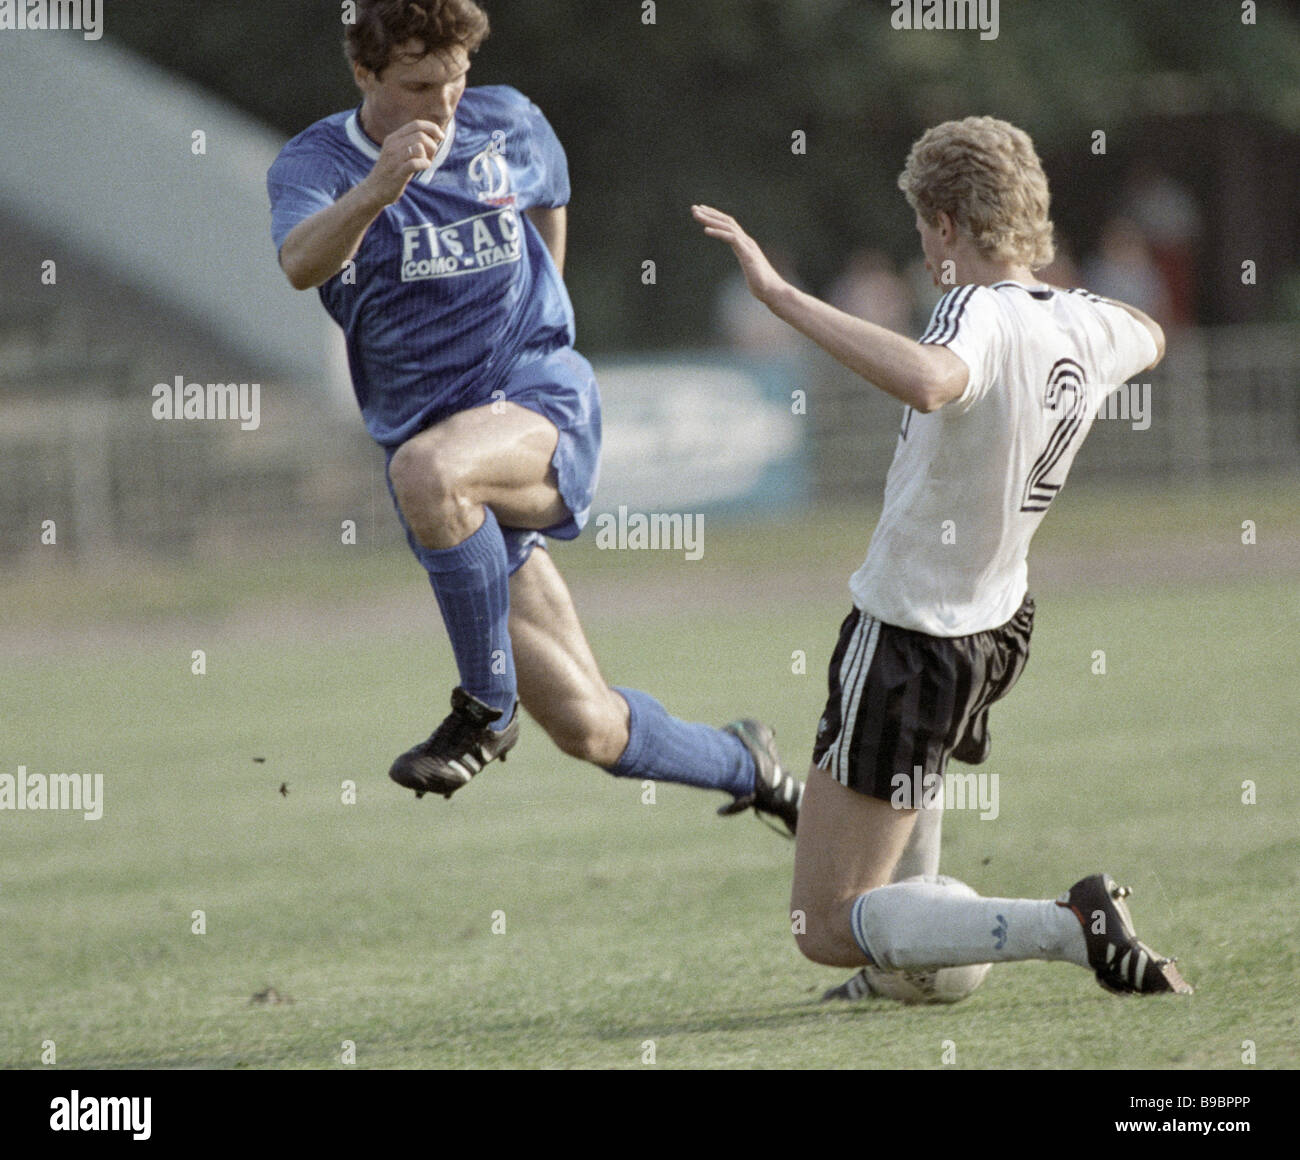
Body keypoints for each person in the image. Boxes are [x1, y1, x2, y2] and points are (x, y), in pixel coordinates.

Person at [266, 0, 801, 833]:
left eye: (456, 78)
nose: (443, 102)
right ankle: (754, 767)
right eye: (416, 84)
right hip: (450, 465)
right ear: (364, 73)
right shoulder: (318, 163)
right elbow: (301, 261)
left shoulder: (507, 122)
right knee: (588, 726)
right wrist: (379, 189)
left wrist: (537, 334)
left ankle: (483, 708)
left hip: (535, 405)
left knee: (427, 473)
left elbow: (549, 206)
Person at [694, 116, 1192, 995]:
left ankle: (1068, 925)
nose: (924, 251)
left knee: (822, 923)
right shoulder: (1083, 321)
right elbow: (1148, 333)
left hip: (909, 631)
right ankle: (889, 978)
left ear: (951, 224)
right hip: (995, 626)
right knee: (893, 871)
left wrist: (781, 298)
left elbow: (931, 379)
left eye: (926, 229)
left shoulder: (974, 309)